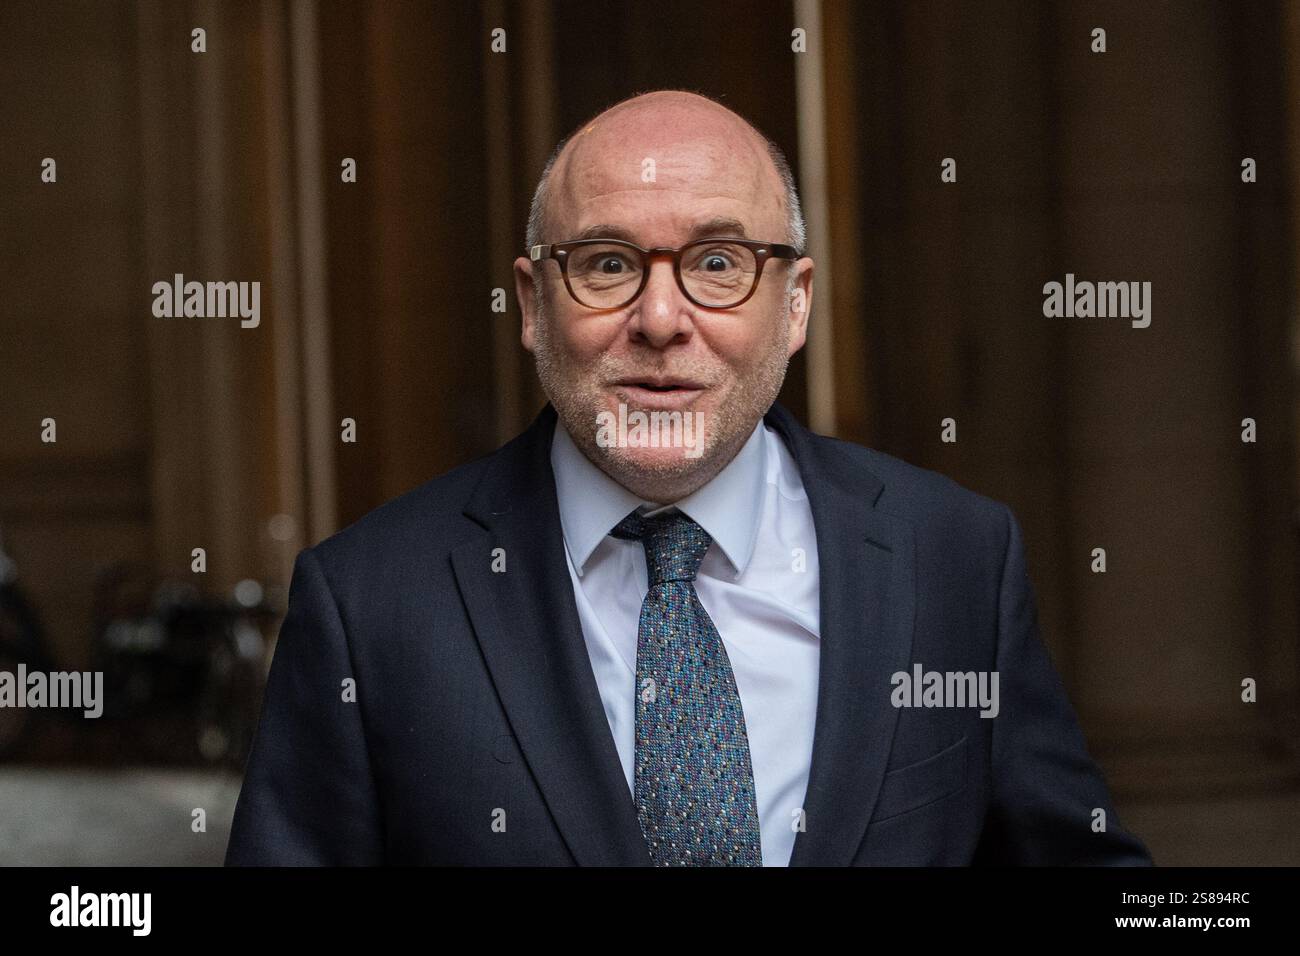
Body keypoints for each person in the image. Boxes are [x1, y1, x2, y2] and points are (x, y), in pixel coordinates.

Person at [225, 89, 1152, 866]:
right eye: (606, 264)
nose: (661, 318)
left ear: (795, 307)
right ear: (531, 306)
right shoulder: (369, 602)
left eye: (719, 262)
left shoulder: (952, 555)